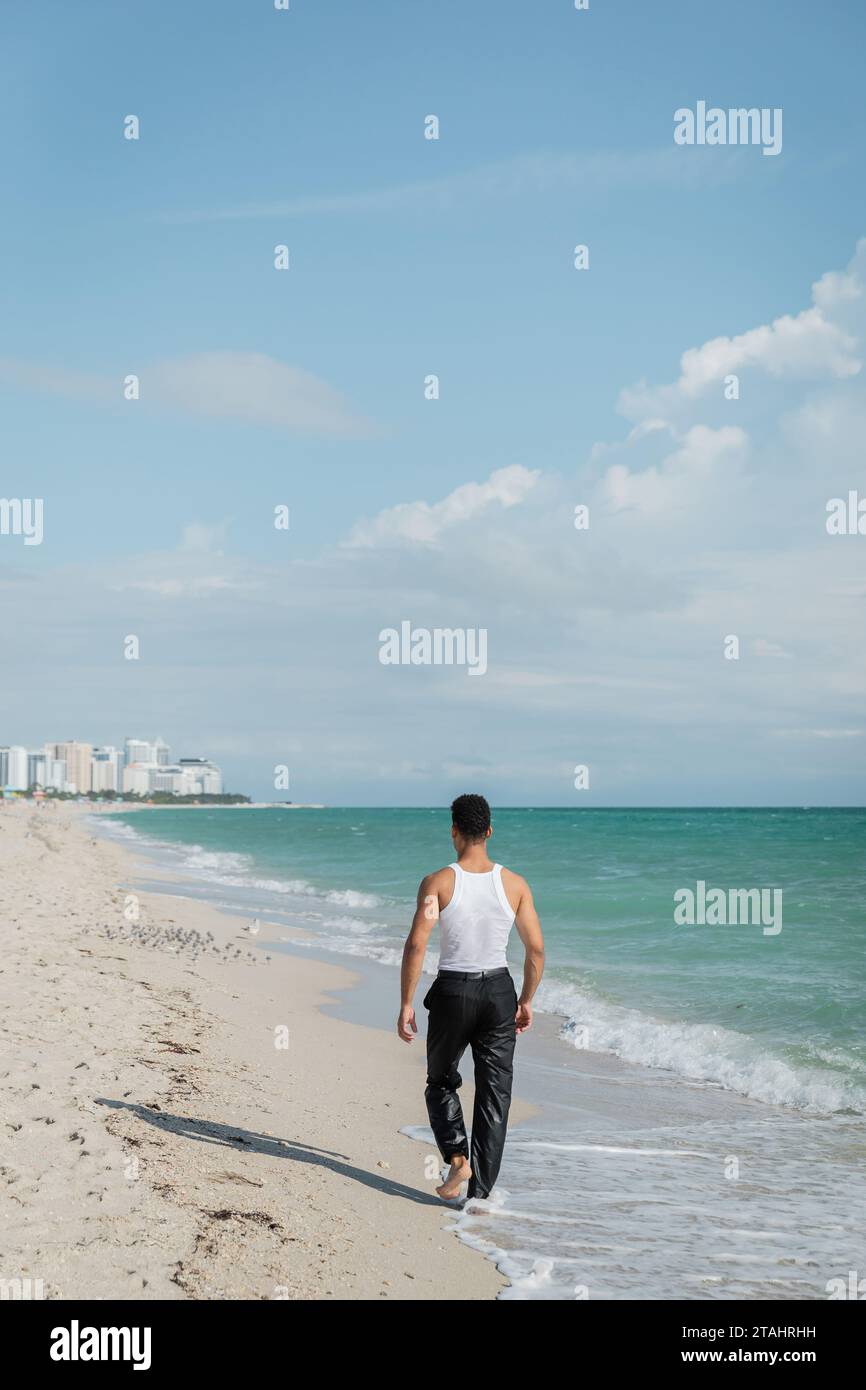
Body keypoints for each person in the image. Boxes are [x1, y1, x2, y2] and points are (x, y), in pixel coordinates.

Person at [397, 794, 545, 1202]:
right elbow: (536, 950)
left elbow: (416, 945)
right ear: (490, 831)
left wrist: (407, 1003)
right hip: (498, 992)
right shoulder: (515, 885)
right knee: (495, 1094)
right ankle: (479, 1199)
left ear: (454, 831)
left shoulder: (437, 883)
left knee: (440, 1081)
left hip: (453, 992)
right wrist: (526, 999)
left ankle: (458, 1158)